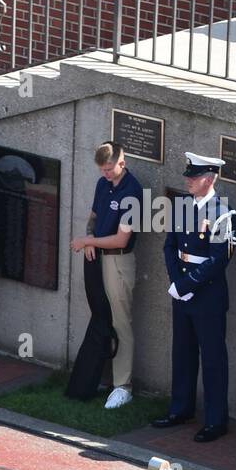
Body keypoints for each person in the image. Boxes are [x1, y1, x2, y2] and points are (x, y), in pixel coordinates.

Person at [151, 153, 236, 443]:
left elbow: (219, 260)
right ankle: (181, 409)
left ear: (210, 178)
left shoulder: (223, 214)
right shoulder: (182, 207)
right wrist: (177, 282)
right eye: (188, 175)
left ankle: (216, 421)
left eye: (195, 176)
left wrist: (188, 283)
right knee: (183, 352)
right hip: (183, 292)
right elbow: (170, 247)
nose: (188, 180)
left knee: (213, 359)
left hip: (208, 296)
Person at [68, 140, 143, 408]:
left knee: (121, 323)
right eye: (102, 170)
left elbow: (122, 240)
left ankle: (123, 385)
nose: (106, 174)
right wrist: (89, 236)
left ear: (122, 162)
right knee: (101, 317)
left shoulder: (133, 192)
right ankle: (98, 374)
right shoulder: (102, 184)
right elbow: (93, 218)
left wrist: (88, 242)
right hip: (99, 259)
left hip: (119, 263)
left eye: (110, 169)